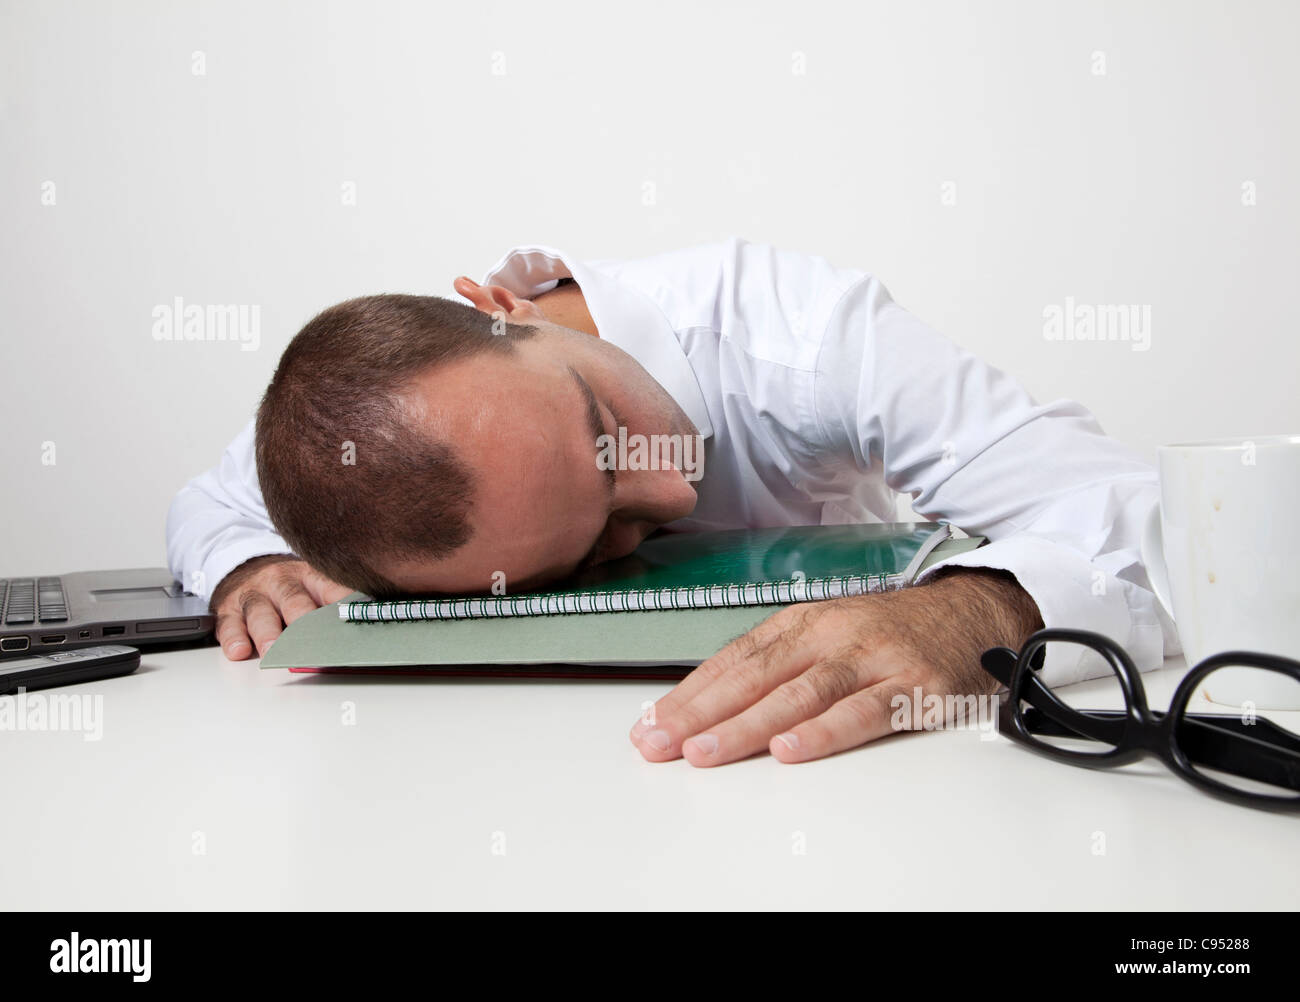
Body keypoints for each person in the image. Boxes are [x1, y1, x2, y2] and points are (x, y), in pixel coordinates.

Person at [166, 237, 1174, 767]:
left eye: (604, 433)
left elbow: (1141, 509)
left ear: (500, 311)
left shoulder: (795, 328)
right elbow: (209, 504)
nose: (670, 486)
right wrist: (248, 567)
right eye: (608, 540)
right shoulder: (362, 437)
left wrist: (980, 607)